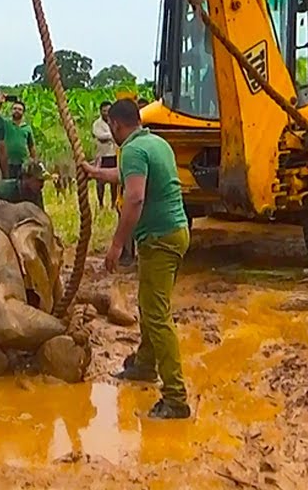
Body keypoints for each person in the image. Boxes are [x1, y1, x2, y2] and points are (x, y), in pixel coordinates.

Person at [82, 98, 191, 420]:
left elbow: (135, 196)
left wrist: (116, 245)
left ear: (115, 124)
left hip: (159, 238)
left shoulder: (131, 149)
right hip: (175, 233)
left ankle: (175, 398)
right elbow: (129, 176)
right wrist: (95, 173)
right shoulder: (156, 143)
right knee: (151, 305)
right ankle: (144, 365)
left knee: (157, 316)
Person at [92, 101, 119, 209]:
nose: (106, 113)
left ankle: (113, 203)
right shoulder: (97, 124)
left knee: (114, 182)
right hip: (102, 156)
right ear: (100, 112)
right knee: (100, 182)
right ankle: (101, 204)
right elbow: (99, 135)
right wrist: (112, 135)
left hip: (114, 155)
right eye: (104, 111)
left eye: (108, 110)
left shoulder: (115, 121)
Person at [4, 99, 36, 179]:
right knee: (9, 186)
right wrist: (0, 102)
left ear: (23, 112)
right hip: (8, 163)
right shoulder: (6, 124)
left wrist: (34, 161)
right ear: (11, 111)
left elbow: (31, 146)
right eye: (14, 109)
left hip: (23, 163)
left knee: (22, 185)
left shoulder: (27, 128)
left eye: (19, 109)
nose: (17, 111)